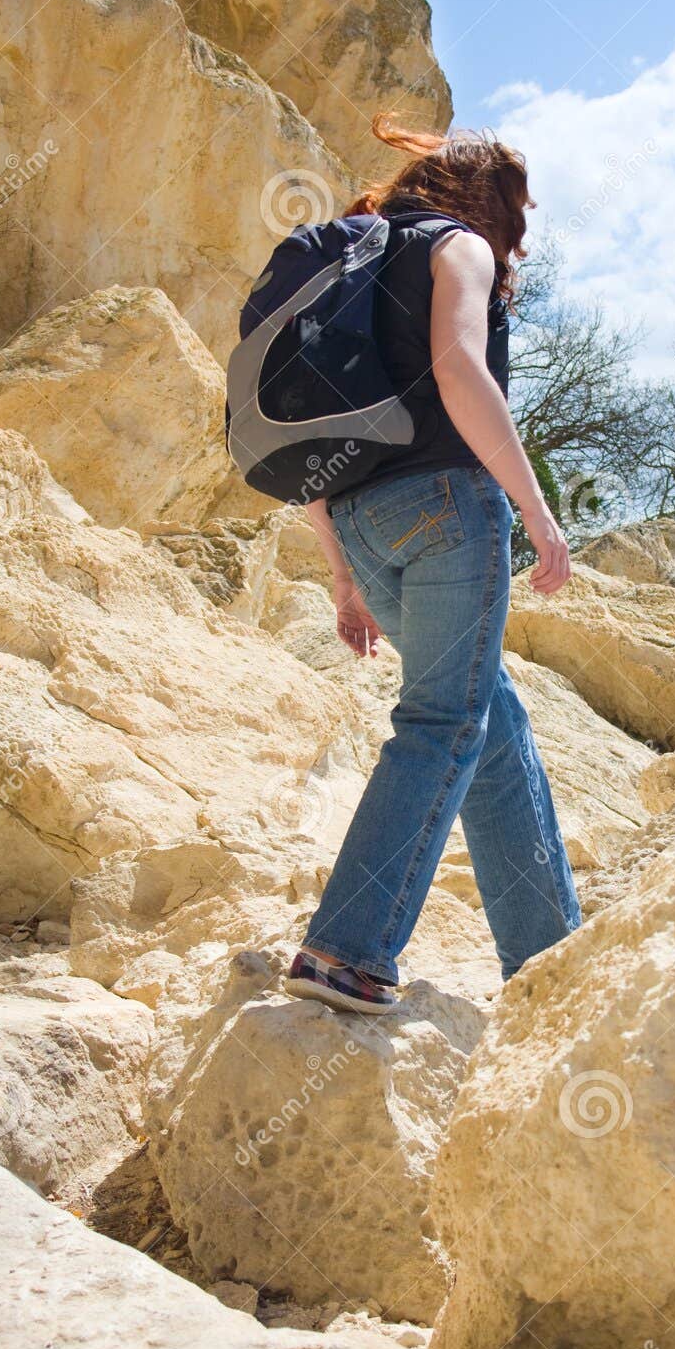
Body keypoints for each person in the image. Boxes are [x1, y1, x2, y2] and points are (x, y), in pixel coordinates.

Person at [284, 113, 581, 1015]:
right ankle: (345, 952)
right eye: (517, 210)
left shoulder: (353, 255)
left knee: (492, 719)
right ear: (489, 201)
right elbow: (459, 367)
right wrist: (535, 510)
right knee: (443, 722)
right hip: (447, 509)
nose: (519, 233)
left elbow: (307, 430)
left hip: (361, 520)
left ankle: (549, 966)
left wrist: (342, 573)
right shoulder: (458, 246)